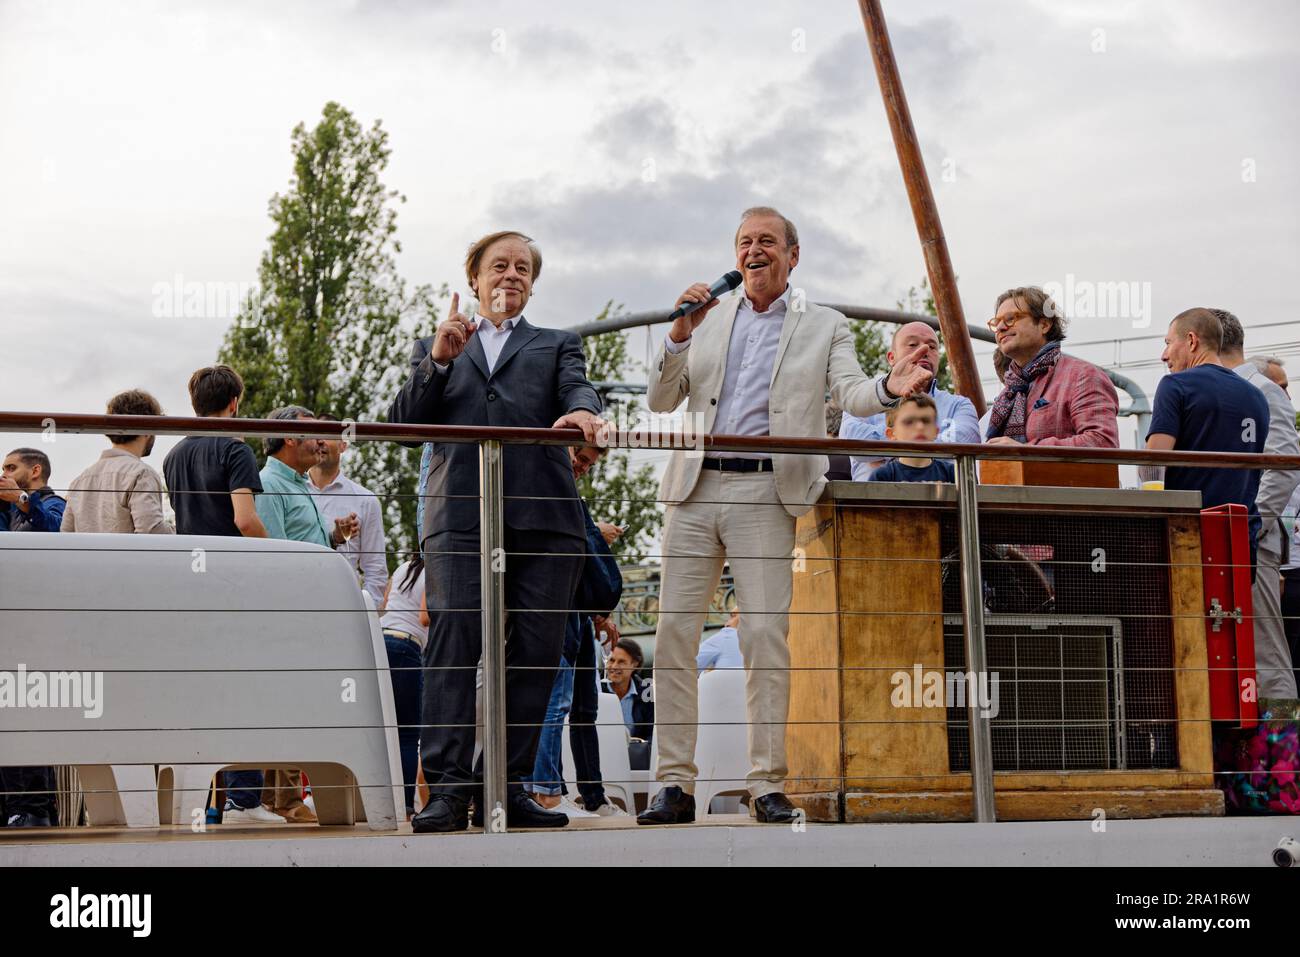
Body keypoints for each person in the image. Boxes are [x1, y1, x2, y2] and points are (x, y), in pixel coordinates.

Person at [642, 206, 931, 826]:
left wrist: (891, 385)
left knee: (766, 637)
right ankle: (671, 784)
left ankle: (767, 783)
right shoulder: (709, 322)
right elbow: (661, 398)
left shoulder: (825, 324)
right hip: (693, 491)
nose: (754, 250)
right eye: (744, 241)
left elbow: (852, 393)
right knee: (672, 636)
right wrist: (680, 333)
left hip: (767, 494)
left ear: (792, 256)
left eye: (767, 241)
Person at [388, 230, 603, 833]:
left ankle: (506, 790)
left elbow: (578, 391)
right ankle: (448, 793)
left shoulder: (559, 343)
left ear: (533, 283)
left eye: (524, 268)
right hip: (457, 519)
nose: (512, 275)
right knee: (455, 644)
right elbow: (405, 426)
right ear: (474, 278)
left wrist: (584, 411)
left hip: (544, 519)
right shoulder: (434, 347)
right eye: (500, 266)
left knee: (536, 655)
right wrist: (437, 360)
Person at [162, 366, 277, 823]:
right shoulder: (235, 448)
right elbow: (245, 519)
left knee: (206, 693)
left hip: (193, 583)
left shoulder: (173, 454)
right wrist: (277, 559)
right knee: (247, 690)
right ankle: (245, 800)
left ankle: (206, 802)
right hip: (233, 581)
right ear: (234, 403)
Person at [253, 406, 360, 823]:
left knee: (305, 704)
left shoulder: (296, 484)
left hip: (313, 611)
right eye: (314, 434)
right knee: (291, 703)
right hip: (291, 613)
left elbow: (301, 542)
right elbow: (274, 554)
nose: (321, 442)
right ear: (290, 438)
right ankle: (282, 800)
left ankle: (287, 797)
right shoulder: (268, 484)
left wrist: (333, 535)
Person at [529, 444, 625, 817]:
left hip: (576, 611)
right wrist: (595, 534)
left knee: (579, 707)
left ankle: (584, 794)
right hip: (554, 610)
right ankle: (547, 792)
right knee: (555, 704)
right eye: (580, 457)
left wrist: (597, 611)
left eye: (588, 463)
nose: (582, 467)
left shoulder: (563, 489)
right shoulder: (544, 484)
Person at [1214, 310, 1300, 700]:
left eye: (1171, 341)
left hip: (1248, 542)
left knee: (1265, 653)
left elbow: (1282, 465)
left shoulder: (1264, 390)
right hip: (1225, 540)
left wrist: (1250, 527)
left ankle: (1282, 755)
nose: (1166, 354)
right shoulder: (1220, 389)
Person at [1147, 308, 1269, 570]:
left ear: (1191, 341)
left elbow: (1152, 464)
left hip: (1186, 535)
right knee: (1233, 610)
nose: (1164, 355)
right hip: (1240, 536)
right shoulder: (1257, 397)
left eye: (1168, 343)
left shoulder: (1175, 386)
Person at [0, 447, 65, 828]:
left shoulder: (53, 502)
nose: (4, 472)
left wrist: (22, 500)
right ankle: (14, 808)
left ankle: (36, 811)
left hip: (38, 632)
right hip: (13, 627)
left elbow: (57, 533)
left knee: (26, 720)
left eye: (11, 467)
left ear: (35, 471)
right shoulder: (8, 514)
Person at [840, 321, 979, 479]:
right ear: (891, 357)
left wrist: (884, 448)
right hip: (874, 501)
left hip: (942, 502)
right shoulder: (863, 398)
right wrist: (929, 442)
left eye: (932, 347)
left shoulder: (960, 405)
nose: (924, 350)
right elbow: (851, 442)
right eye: (913, 344)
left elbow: (964, 447)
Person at [985, 286, 1120, 448]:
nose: (1000, 327)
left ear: (1044, 325)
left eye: (1010, 318)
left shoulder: (1083, 376)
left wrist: (1026, 452)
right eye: (996, 322)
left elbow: (1102, 442)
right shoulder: (1007, 395)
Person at [62, 389, 174, 534]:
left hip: (86, 557)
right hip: (128, 557)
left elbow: (66, 535)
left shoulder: (79, 480)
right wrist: (180, 532)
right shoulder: (141, 474)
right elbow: (151, 532)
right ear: (147, 429)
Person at [308, 412, 388, 606]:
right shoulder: (289, 492)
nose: (319, 441)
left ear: (343, 445)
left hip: (342, 608)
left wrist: (364, 614)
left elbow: (375, 569)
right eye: (314, 435)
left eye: (327, 434)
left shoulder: (365, 501)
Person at [378, 557, 428, 818]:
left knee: (382, 730)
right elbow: (425, 616)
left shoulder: (404, 568)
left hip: (380, 640)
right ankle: (406, 807)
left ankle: (379, 800)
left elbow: (385, 603)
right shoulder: (436, 571)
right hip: (407, 647)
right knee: (408, 735)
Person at [867, 393, 956, 484]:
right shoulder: (882, 476)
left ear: (936, 432)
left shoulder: (953, 474)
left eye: (926, 421)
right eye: (909, 422)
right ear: (891, 434)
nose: (920, 427)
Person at [0, 448, 65, 533]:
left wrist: (21, 498)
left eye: (12, 468)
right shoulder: (12, 508)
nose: (3, 476)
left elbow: (57, 528)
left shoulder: (55, 503)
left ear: (35, 471)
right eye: (3, 470)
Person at [602, 640, 655, 743]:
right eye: (611, 660)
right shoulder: (596, 689)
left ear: (634, 664)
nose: (614, 666)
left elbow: (652, 733)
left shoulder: (647, 692)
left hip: (635, 754)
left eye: (621, 662)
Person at [697, 609, 744, 674]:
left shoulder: (727, 634)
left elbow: (688, 665)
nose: (726, 623)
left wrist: (707, 673)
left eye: (733, 616)